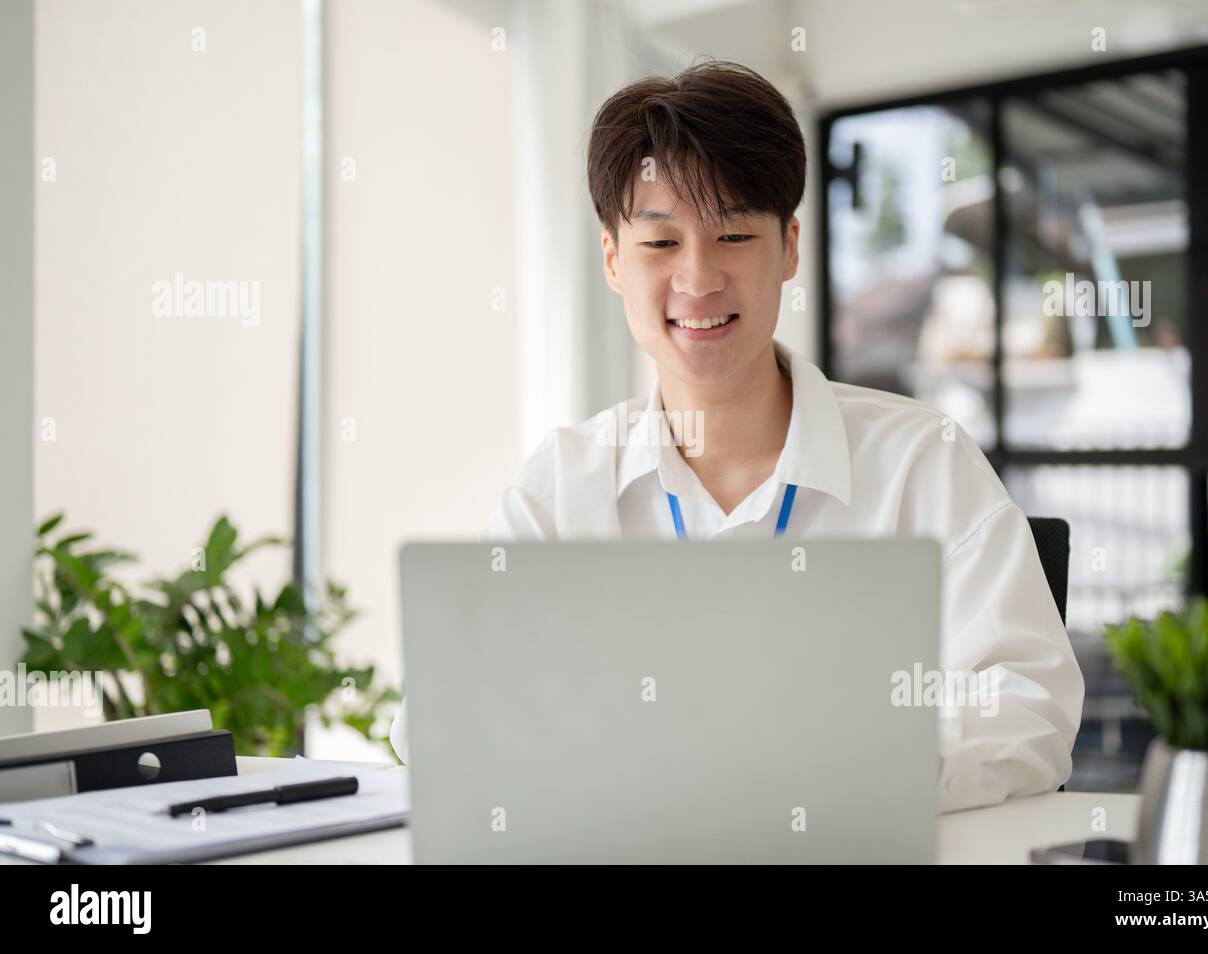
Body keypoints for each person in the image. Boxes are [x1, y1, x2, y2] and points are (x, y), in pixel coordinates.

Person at [391, 60, 1083, 814]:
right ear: (613, 260)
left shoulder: (922, 461)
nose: (698, 278)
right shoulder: (564, 486)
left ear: (788, 249)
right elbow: (438, 712)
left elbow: (1027, 704)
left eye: (731, 234)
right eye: (660, 244)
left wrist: (839, 774)